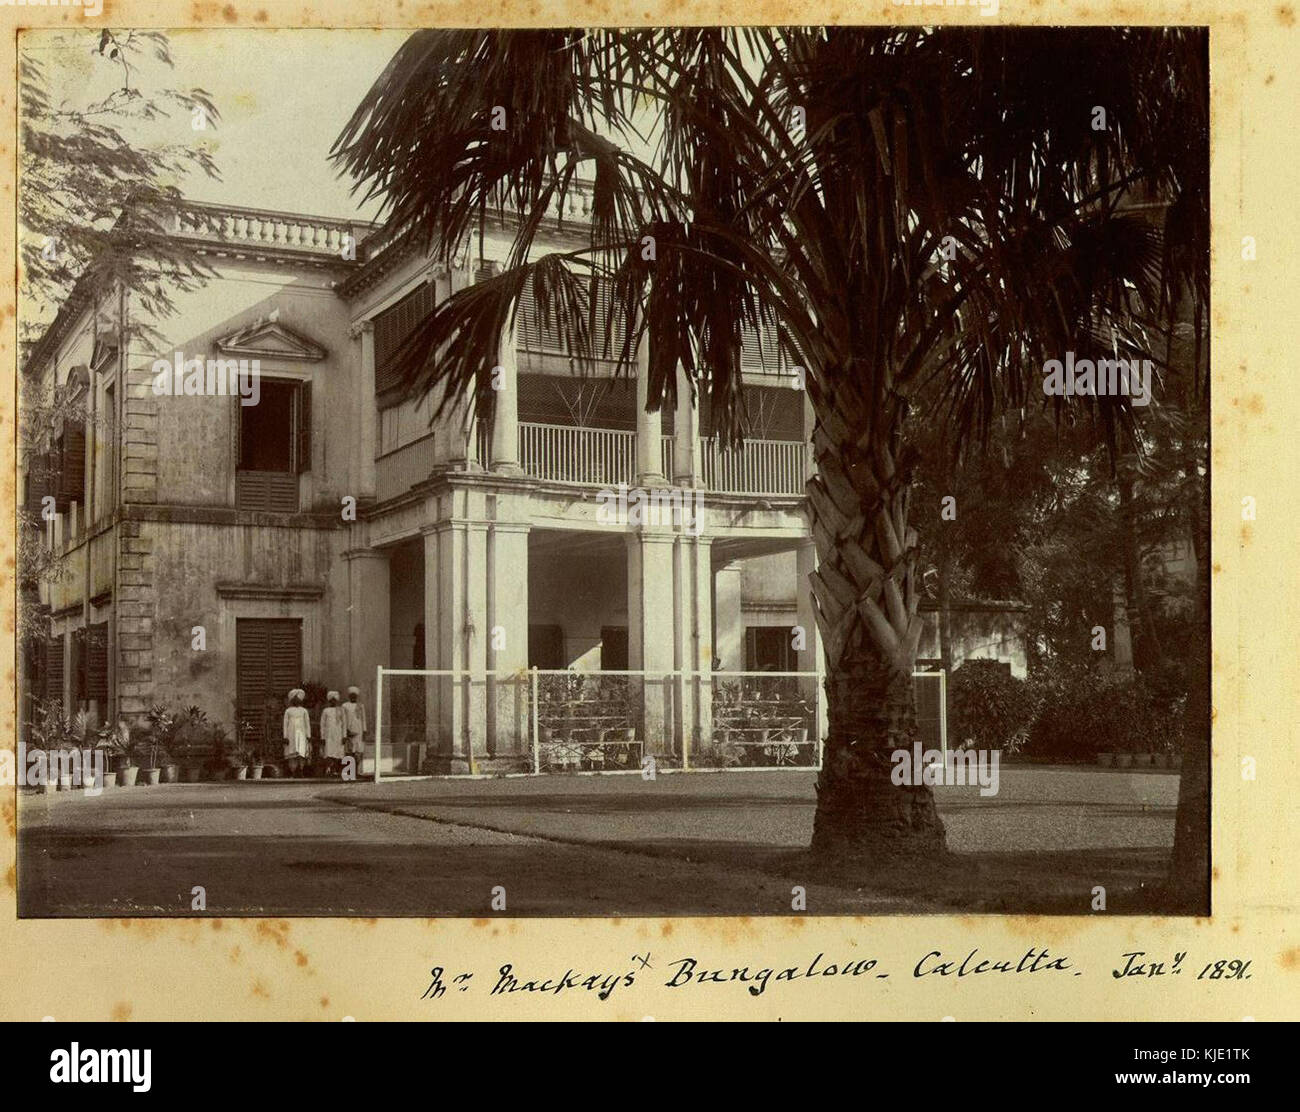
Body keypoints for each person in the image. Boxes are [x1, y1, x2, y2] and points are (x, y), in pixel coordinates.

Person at [282, 689, 311, 776]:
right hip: (291, 734)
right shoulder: (288, 711)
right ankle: (292, 771)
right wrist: (285, 736)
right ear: (292, 700)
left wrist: (308, 735)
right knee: (292, 753)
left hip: (302, 734)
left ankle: (301, 769)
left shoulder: (304, 711)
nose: (296, 701)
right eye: (295, 699)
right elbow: (285, 724)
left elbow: (307, 724)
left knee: (301, 752)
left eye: (298, 699)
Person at [320, 691, 347, 776]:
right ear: (329, 701)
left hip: (338, 734)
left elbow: (344, 724)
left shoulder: (341, 710)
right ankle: (328, 770)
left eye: (335, 700)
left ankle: (335, 770)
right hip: (328, 735)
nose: (333, 702)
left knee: (338, 753)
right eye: (331, 700)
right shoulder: (326, 711)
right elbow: (322, 724)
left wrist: (344, 736)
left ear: (337, 701)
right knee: (328, 752)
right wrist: (322, 736)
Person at [342, 685, 366, 777]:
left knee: (358, 752)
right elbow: (343, 720)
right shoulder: (345, 706)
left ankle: (357, 771)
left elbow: (363, 719)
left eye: (355, 695)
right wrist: (345, 731)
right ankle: (349, 772)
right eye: (351, 695)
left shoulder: (361, 706)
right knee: (349, 752)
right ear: (349, 696)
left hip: (359, 731)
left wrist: (364, 731)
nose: (353, 697)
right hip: (348, 731)